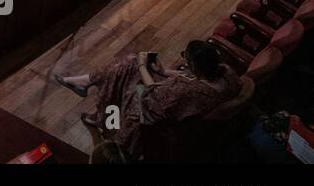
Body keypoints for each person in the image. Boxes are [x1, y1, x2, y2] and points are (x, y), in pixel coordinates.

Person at [53, 40, 241, 160]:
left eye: (186, 59)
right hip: (176, 107)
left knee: (129, 69)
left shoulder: (190, 92)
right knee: (129, 65)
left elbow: (151, 95)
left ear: (195, 66)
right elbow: (189, 77)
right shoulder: (225, 72)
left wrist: (144, 67)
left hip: (157, 120)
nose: (184, 62)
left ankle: (98, 109)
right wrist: (163, 71)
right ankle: (88, 89)